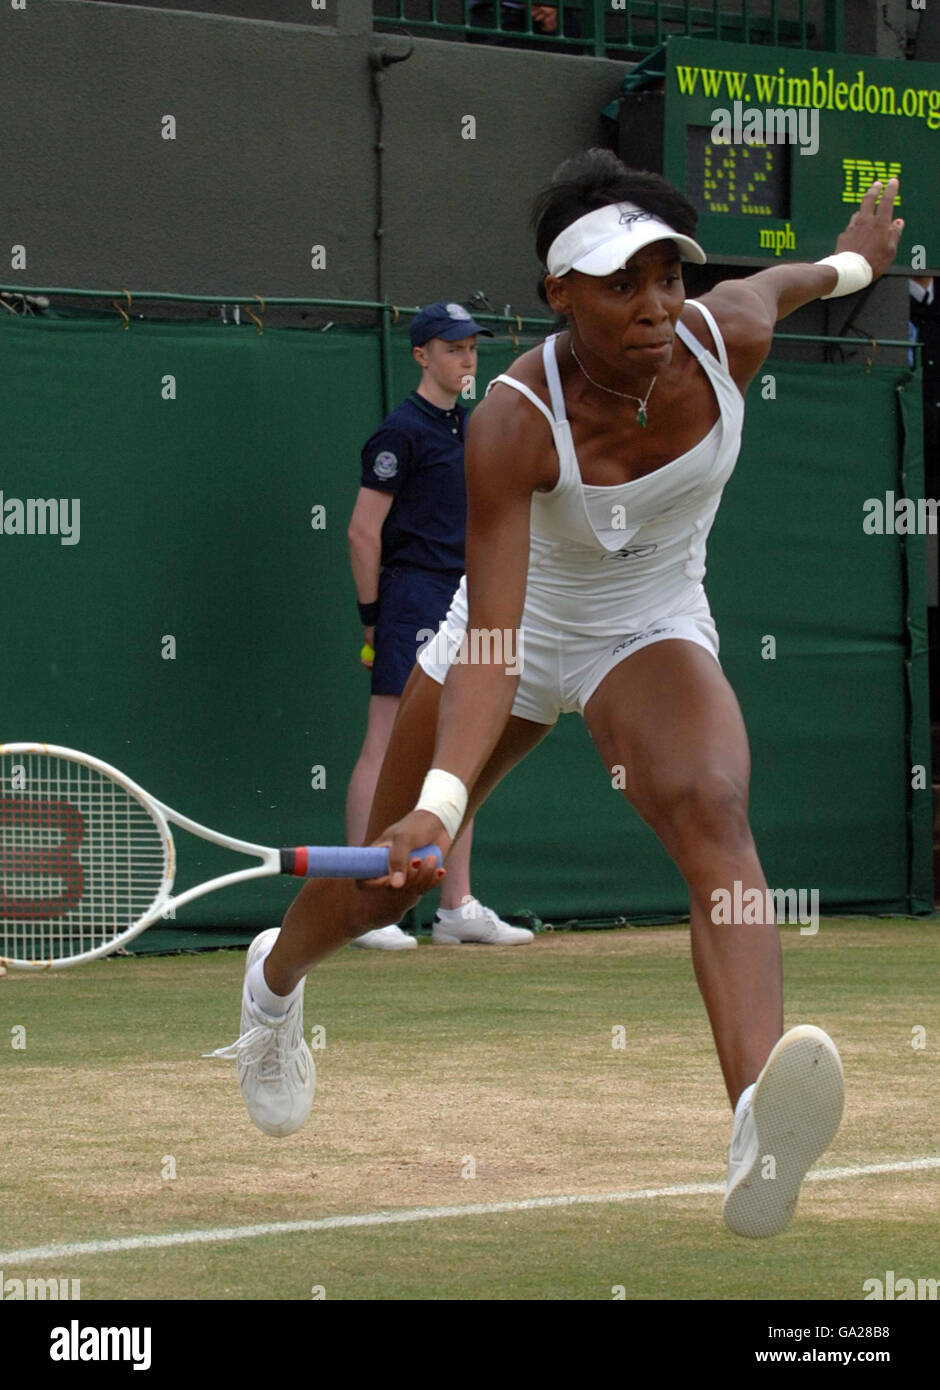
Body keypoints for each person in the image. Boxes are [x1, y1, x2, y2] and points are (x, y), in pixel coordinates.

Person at [212, 151, 903, 1237]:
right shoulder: (509, 420)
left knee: (712, 808)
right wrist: (436, 809)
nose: (653, 305)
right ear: (558, 294)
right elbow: (491, 633)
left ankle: (755, 1121)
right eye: (621, 282)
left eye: (668, 276)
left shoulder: (726, 337)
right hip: (515, 631)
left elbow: (796, 278)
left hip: (650, 625)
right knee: (386, 888)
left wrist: (853, 263)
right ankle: (273, 984)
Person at [345, 300, 532, 949]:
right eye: (453, 348)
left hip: (467, 597)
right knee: (386, 743)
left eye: (472, 348)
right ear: (422, 355)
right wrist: (374, 621)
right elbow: (363, 532)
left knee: (466, 749)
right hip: (410, 596)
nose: (467, 359)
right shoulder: (401, 432)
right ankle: (360, 898)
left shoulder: (477, 428)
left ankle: (456, 907)